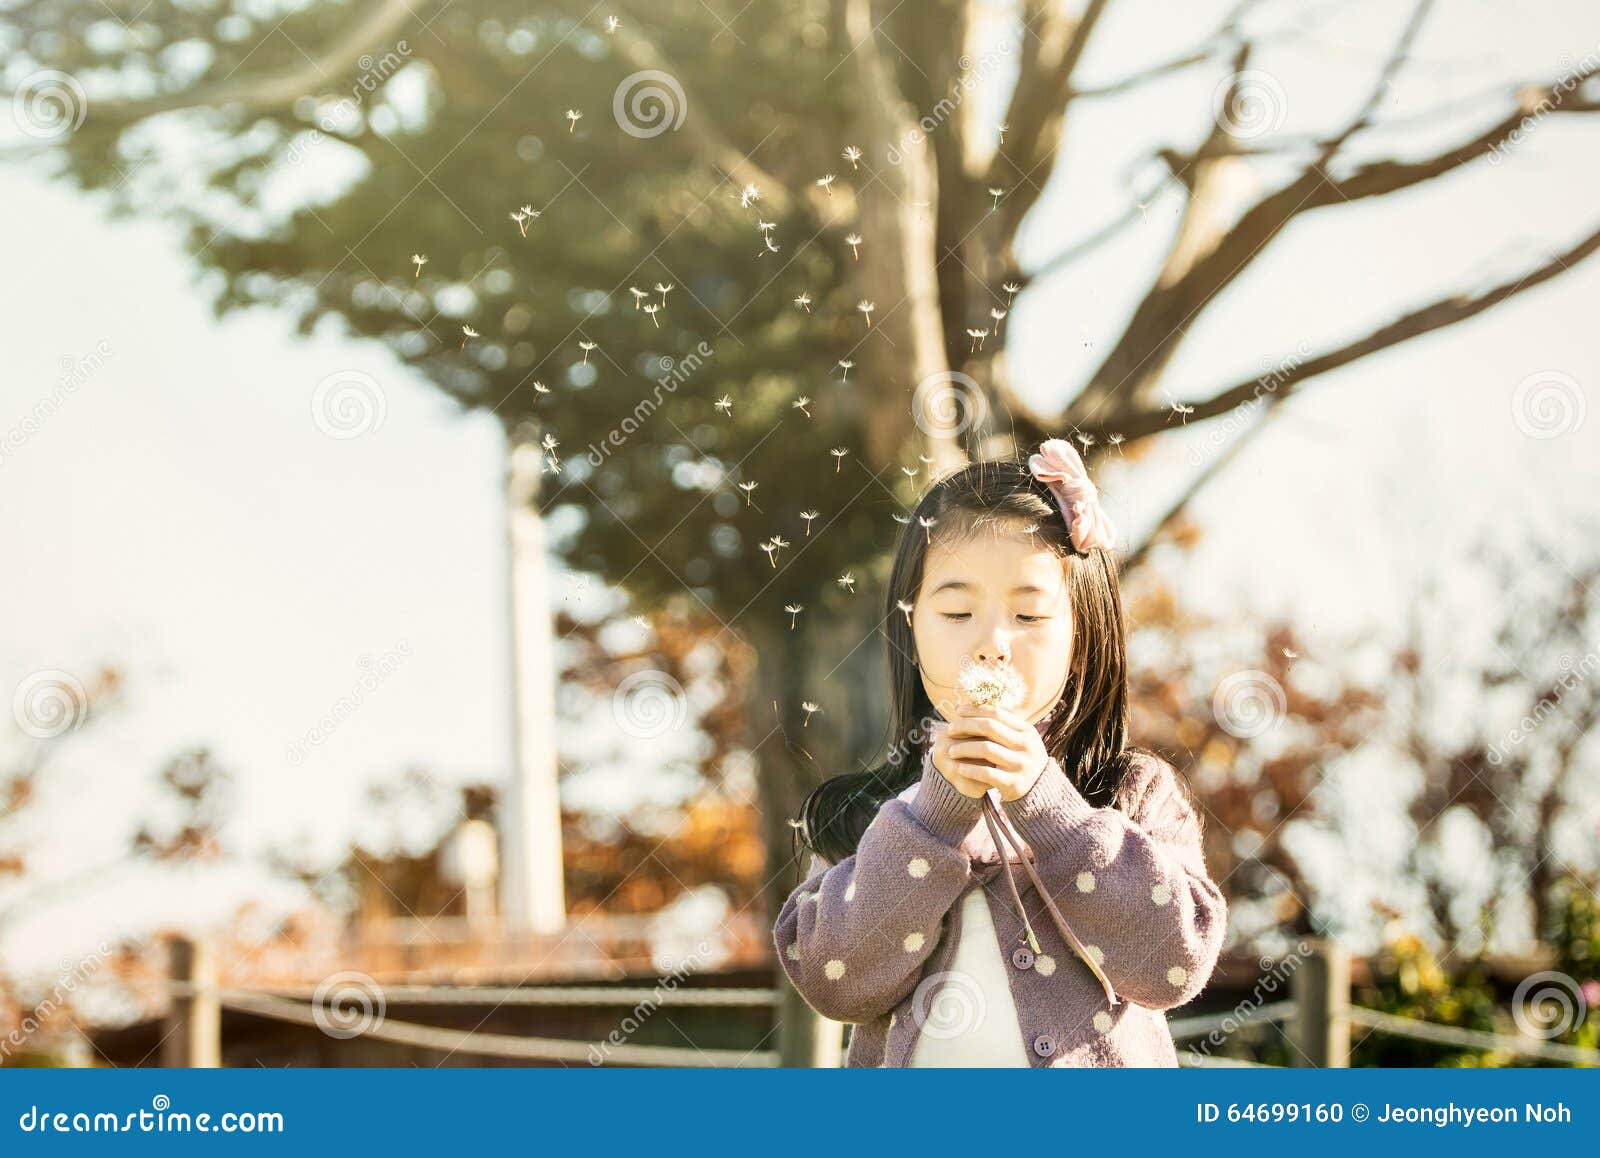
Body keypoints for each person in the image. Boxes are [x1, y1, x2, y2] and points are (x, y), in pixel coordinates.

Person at [773, 441, 1228, 1067]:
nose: (992, 643)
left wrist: (1048, 806)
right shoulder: (870, 812)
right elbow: (834, 979)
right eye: (958, 611)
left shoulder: (1129, 793)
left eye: (1029, 614)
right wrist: (933, 818)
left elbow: (1173, 964)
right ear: (910, 627)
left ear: (1083, 633)